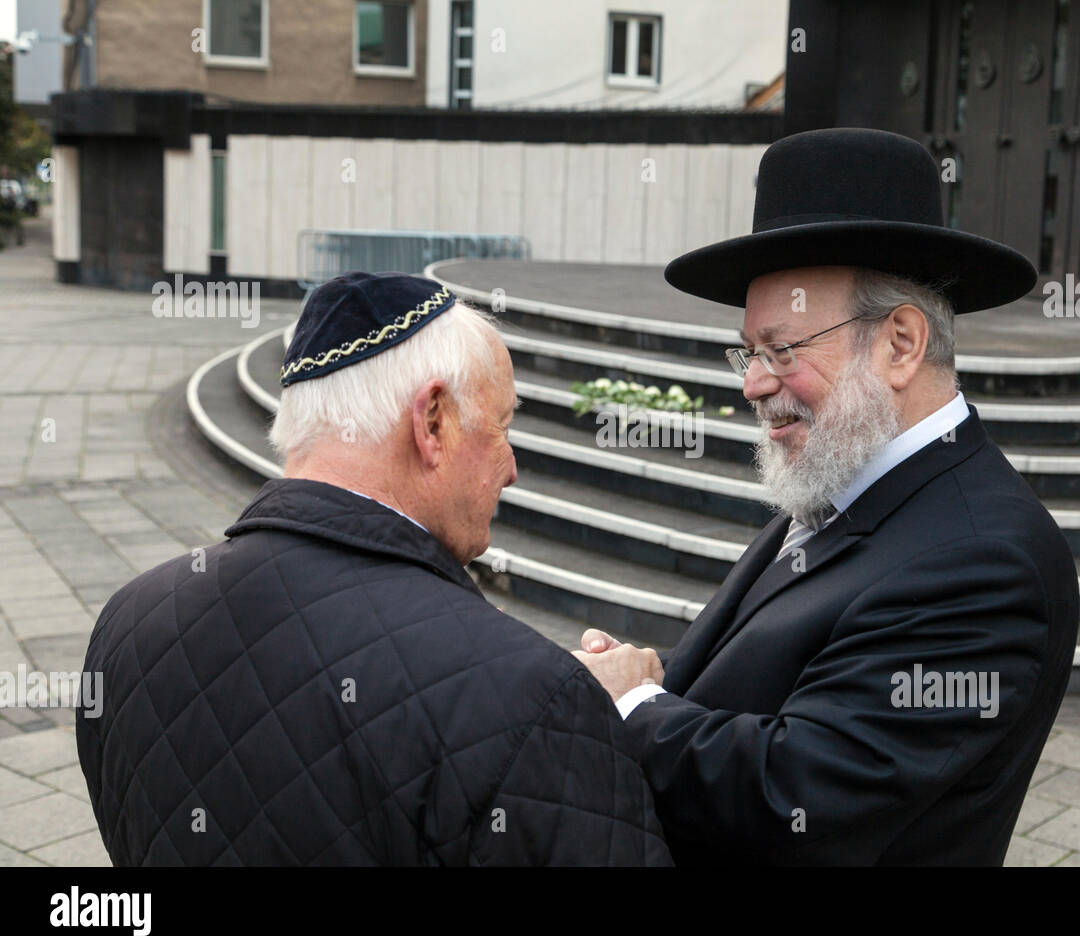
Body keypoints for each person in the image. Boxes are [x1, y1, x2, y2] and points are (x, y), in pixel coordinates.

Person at [575, 127, 1080, 865]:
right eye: (749, 352)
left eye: (782, 350)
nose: (752, 383)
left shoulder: (985, 563)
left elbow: (800, 795)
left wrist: (633, 705)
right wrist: (652, 683)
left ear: (901, 343)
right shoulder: (850, 479)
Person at [77, 271, 671, 866]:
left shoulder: (127, 624)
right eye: (502, 426)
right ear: (432, 421)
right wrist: (581, 715)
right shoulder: (536, 701)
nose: (512, 468)